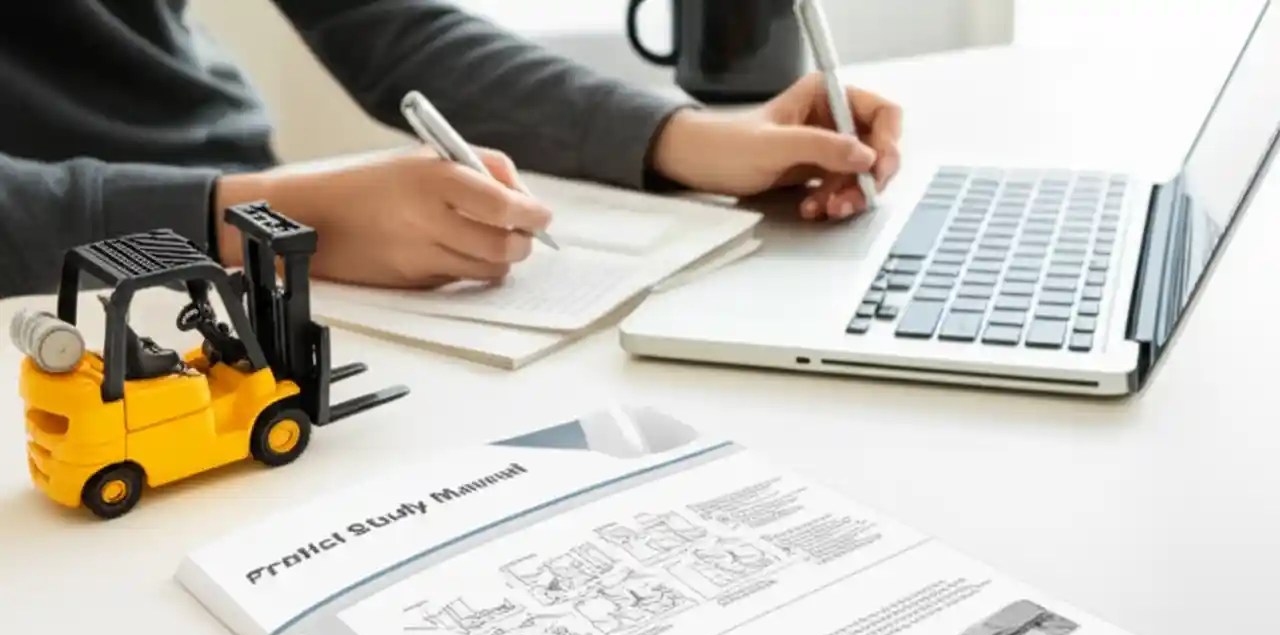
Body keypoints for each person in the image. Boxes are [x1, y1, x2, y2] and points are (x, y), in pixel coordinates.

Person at [0, 2, 902, 299]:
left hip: (249, 227)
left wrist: (680, 138)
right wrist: (261, 222)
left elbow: (380, 19)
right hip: (54, 279)